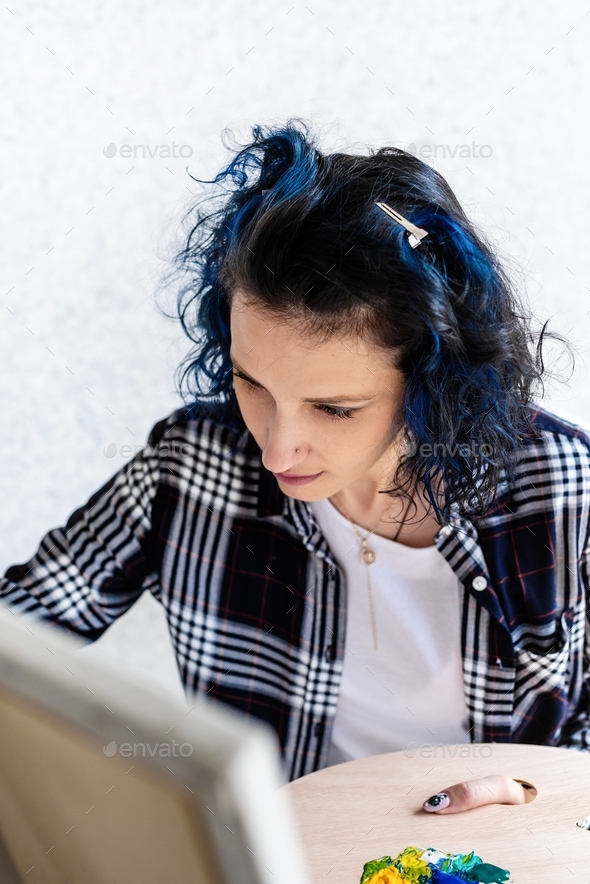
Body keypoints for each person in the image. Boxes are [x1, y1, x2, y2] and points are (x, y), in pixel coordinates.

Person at [2, 120, 588, 817]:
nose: (277, 452)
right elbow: (22, 635)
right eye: (253, 385)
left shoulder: (561, 491)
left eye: (334, 408)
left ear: (435, 381)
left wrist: (535, 788)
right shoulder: (189, 466)